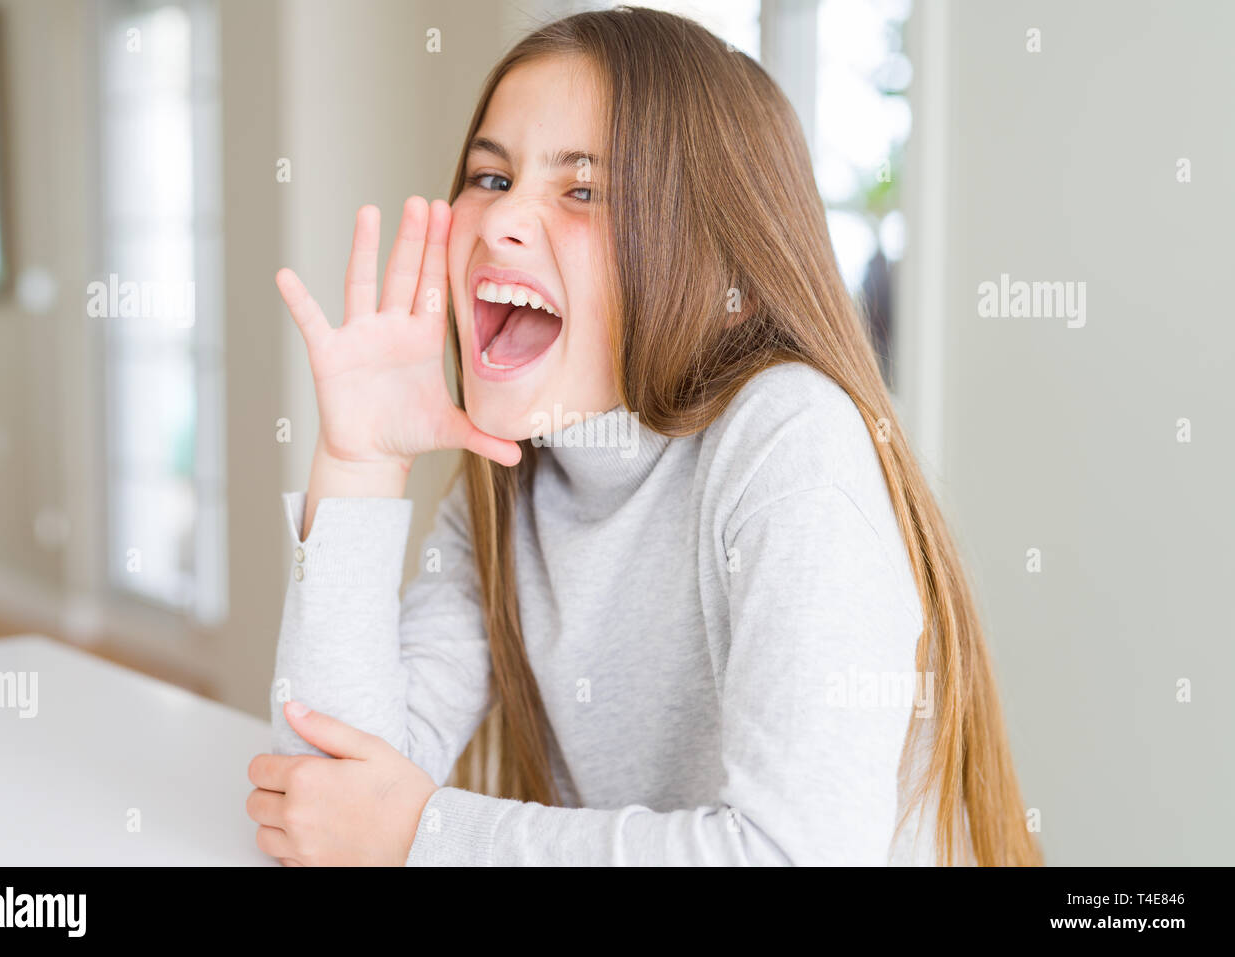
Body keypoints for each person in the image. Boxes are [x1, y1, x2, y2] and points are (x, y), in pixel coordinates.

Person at [245, 6, 1041, 867]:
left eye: (582, 189)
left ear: (716, 255)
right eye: (490, 177)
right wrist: (360, 460)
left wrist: (426, 836)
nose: (505, 221)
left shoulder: (791, 441)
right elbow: (321, 806)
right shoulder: (518, 476)